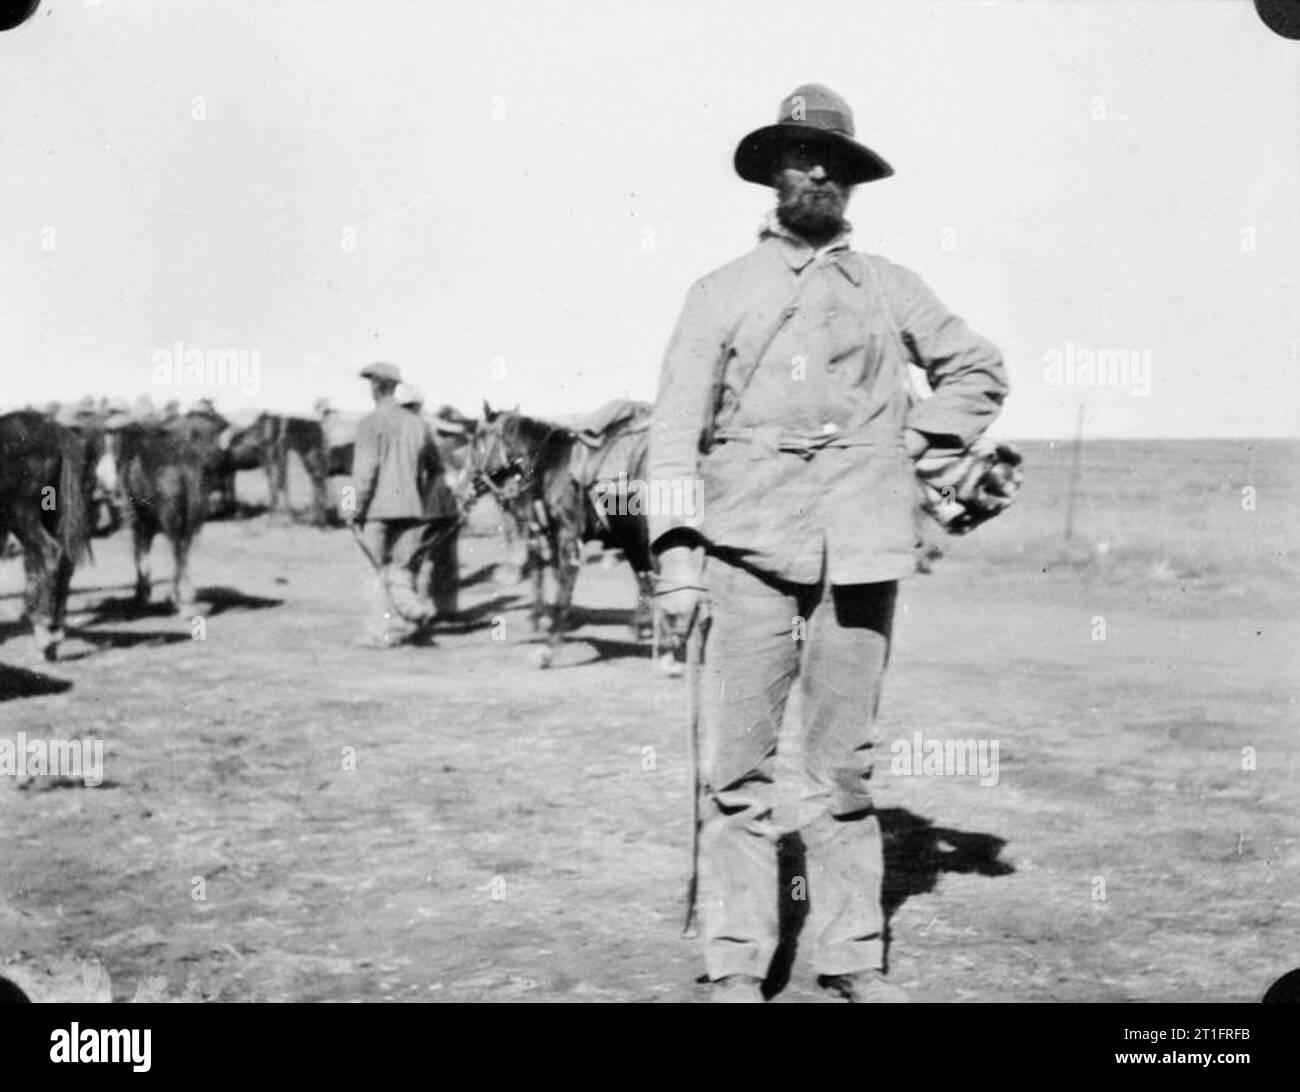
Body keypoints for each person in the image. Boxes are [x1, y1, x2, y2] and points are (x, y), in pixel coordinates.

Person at [649, 84, 1010, 1002]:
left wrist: (909, 443)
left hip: (862, 550)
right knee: (736, 774)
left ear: (850, 182)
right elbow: (673, 434)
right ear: (773, 173)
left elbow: (979, 367)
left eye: (836, 164)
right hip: (742, 552)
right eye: (803, 158)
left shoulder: (890, 287)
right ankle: (736, 961)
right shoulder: (721, 293)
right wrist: (681, 562)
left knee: (843, 770)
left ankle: (851, 955)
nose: (819, 173)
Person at [346, 363, 440, 648]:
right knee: (402, 570)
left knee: (374, 572)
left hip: (376, 511)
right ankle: (403, 625)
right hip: (411, 510)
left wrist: (351, 508)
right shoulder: (417, 425)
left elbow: (363, 473)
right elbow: (433, 470)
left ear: (376, 387)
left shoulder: (369, 423)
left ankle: (378, 633)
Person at [394, 383, 462, 623]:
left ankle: (410, 611)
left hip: (425, 504)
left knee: (410, 558)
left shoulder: (407, 430)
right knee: (444, 558)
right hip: (446, 502)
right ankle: (446, 608)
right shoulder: (423, 429)